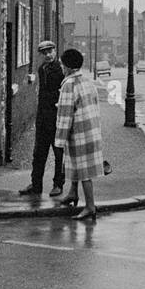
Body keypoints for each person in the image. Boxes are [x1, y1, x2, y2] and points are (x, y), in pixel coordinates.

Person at [54, 47, 103, 221]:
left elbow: (65, 113)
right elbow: (95, 104)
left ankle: (90, 207)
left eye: (62, 64)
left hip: (78, 133)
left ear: (67, 66)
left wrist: (59, 139)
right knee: (75, 165)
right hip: (91, 129)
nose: (61, 67)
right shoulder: (88, 81)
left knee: (84, 171)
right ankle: (73, 194)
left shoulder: (69, 84)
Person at [19, 40, 65, 197]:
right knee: (38, 153)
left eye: (50, 51)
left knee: (59, 153)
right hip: (43, 118)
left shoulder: (61, 70)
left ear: (54, 51)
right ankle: (36, 184)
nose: (47, 55)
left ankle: (58, 184)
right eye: (44, 53)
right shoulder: (41, 69)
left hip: (56, 118)